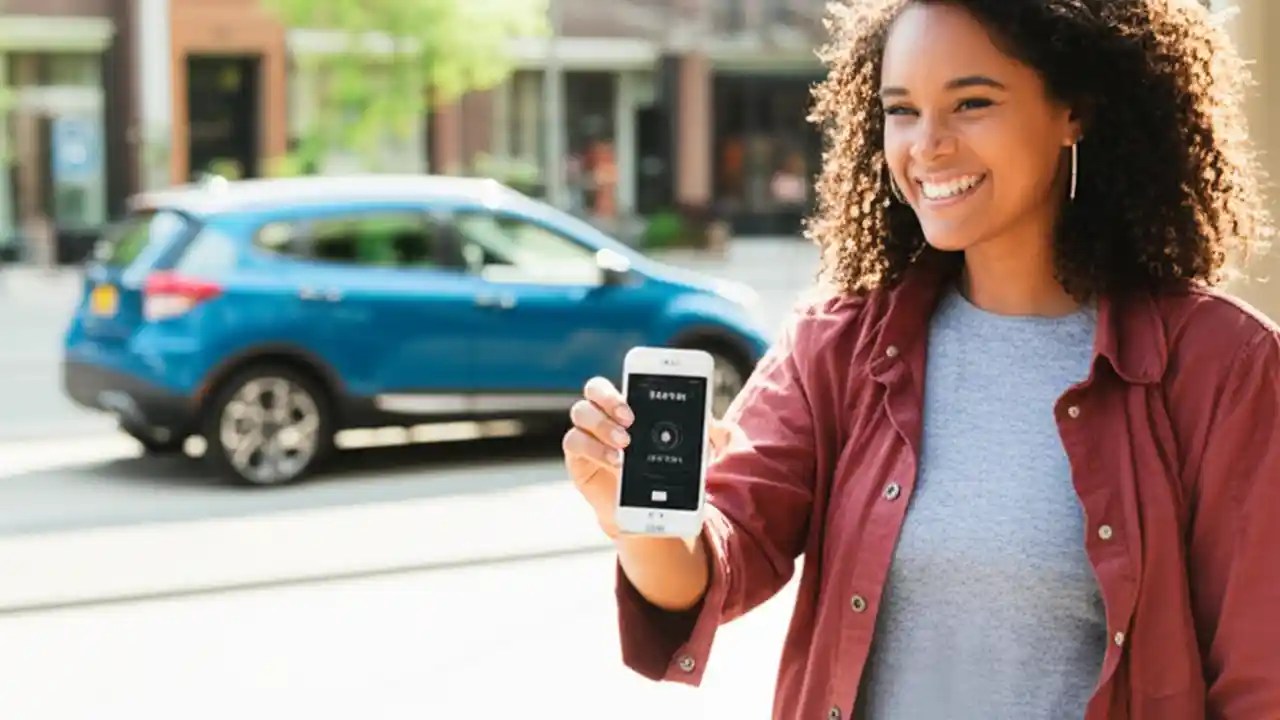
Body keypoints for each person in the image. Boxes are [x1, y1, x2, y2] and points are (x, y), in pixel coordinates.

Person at [562, 1, 1280, 718]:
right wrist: (643, 522)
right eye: (901, 110)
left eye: (972, 102)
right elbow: (720, 560)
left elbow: (1259, 679)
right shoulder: (835, 346)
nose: (927, 145)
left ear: (1075, 111)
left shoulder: (1222, 366)